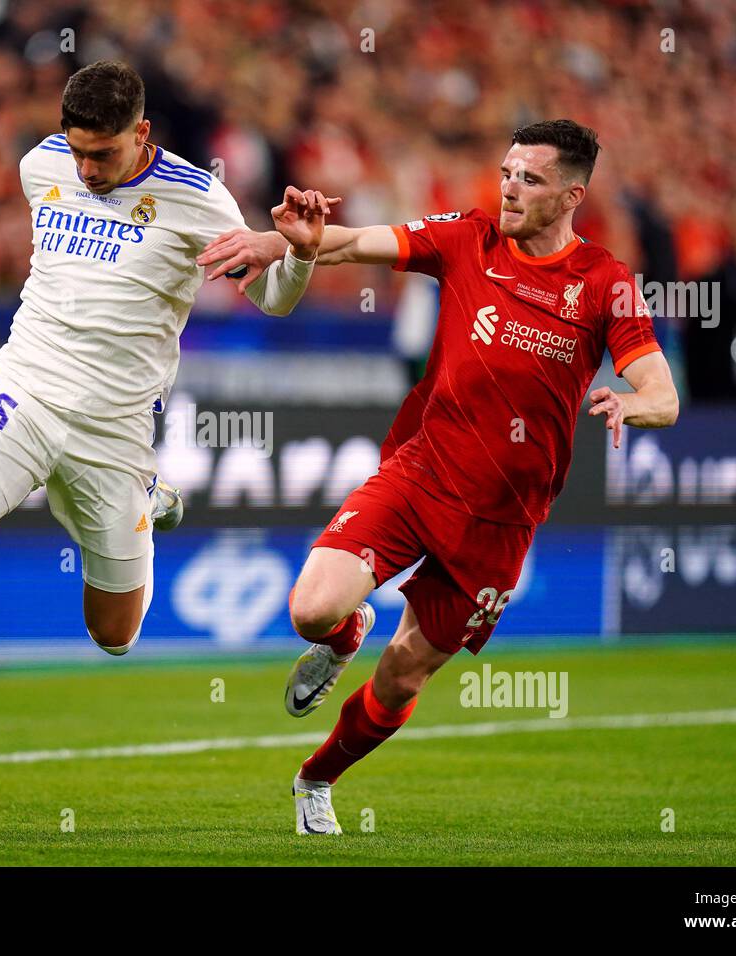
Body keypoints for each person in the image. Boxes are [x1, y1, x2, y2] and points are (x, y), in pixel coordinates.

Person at [0, 60, 332, 767]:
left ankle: (143, 498)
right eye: (78, 150)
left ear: (141, 132)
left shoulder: (196, 198)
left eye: (105, 154)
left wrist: (298, 256)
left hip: (112, 430)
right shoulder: (42, 167)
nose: (86, 169)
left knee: (114, 634)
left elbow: (272, 298)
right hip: (25, 387)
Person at [199, 120, 680, 834]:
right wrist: (282, 241)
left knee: (403, 676)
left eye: (532, 179)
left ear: (572, 194)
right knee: (310, 609)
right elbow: (357, 241)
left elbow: (663, 396)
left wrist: (634, 402)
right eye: (508, 172)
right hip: (421, 474)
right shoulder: (468, 238)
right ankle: (341, 636)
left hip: (501, 521)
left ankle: (316, 778)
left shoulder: (605, 283)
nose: (511, 187)